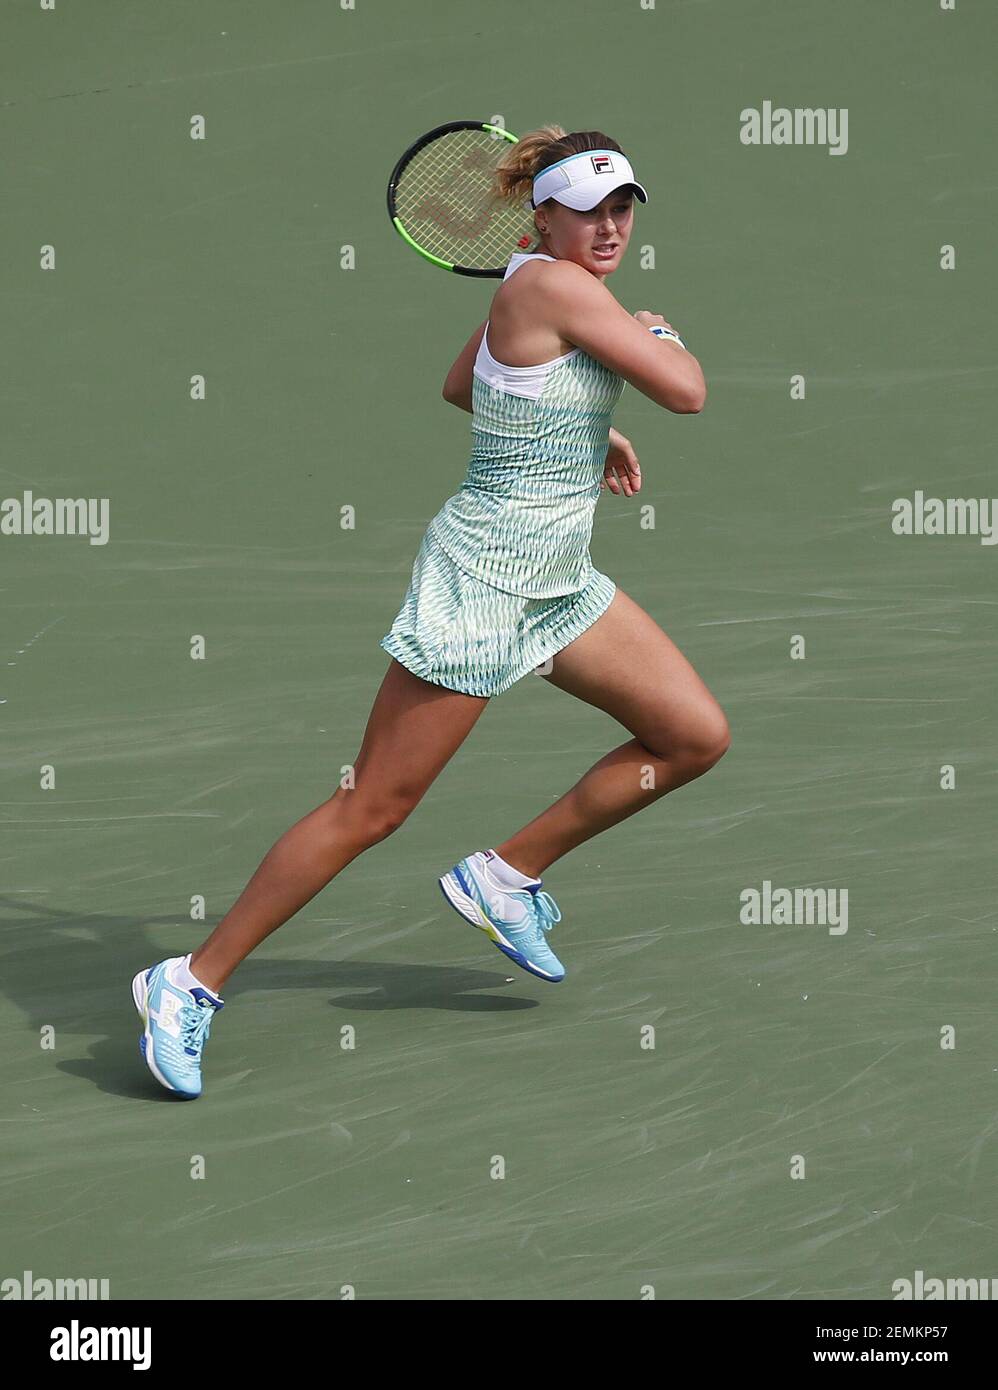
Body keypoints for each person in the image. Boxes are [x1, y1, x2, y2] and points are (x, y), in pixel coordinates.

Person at [131, 125, 729, 1099]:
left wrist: (587, 421)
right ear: (541, 214)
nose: (610, 227)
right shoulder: (557, 285)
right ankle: (186, 981)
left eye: (621, 208)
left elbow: (465, 386)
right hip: (485, 581)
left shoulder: (532, 281)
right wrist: (660, 335)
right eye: (588, 212)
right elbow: (688, 392)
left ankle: (507, 873)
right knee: (373, 804)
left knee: (690, 734)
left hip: (556, 581)